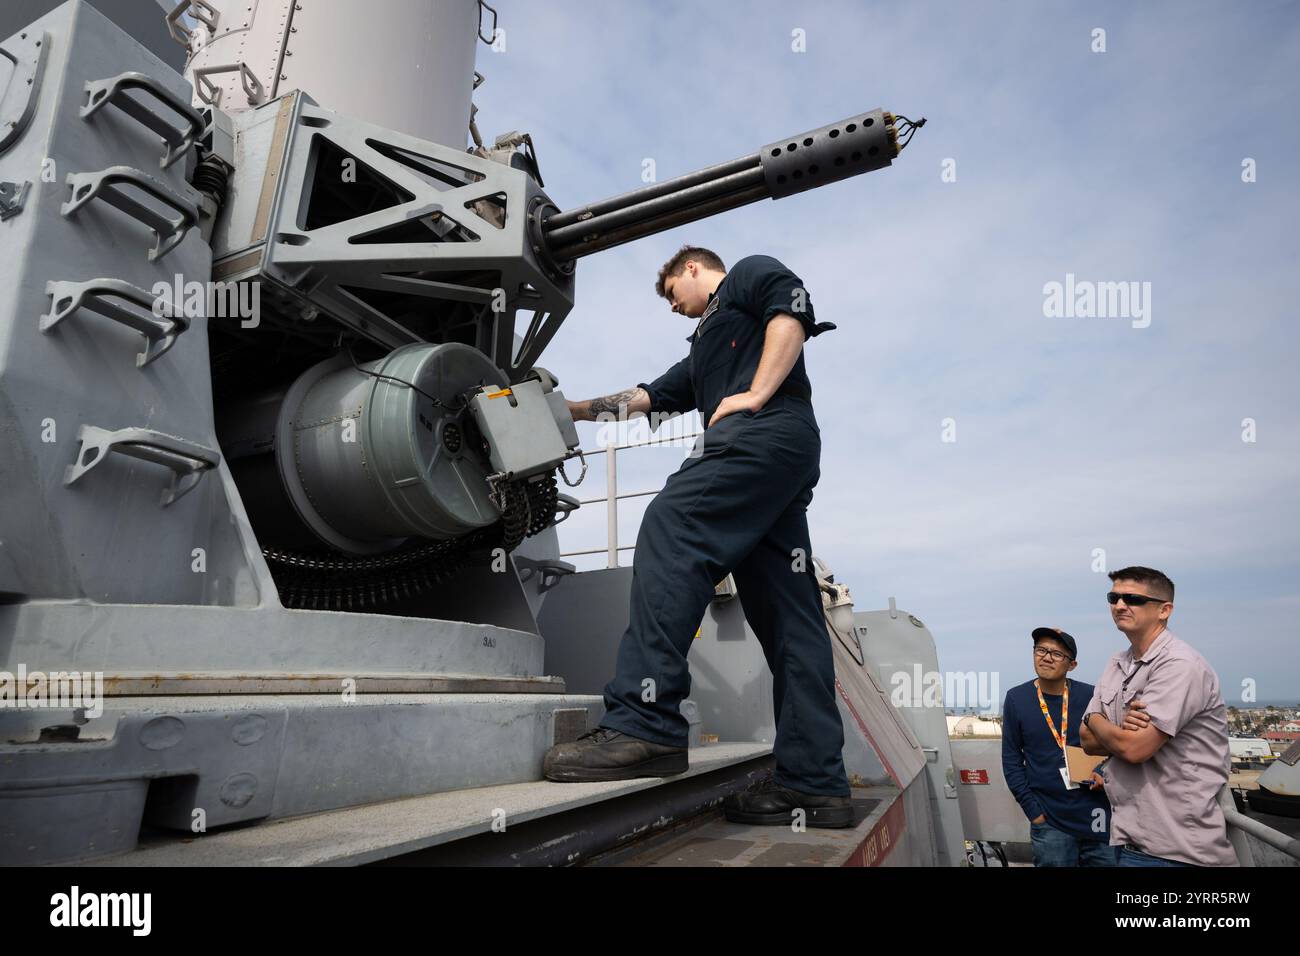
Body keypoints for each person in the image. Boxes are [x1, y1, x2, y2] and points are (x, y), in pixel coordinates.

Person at [541, 245, 852, 827]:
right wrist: (571, 409)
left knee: (672, 526)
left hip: (763, 431)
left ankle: (645, 724)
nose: (673, 308)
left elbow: (792, 316)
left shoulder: (748, 276)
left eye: (670, 294)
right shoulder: (705, 347)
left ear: (690, 268)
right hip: (778, 463)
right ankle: (816, 786)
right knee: (791, 618)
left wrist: (756, 394)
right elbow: (643, 399)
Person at [1079, 566, 1237, 866]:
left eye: (1133, 599)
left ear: (1165, 610)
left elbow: (1134, 749)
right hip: (1129, 840)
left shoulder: (1180, 664)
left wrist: (1096, 720)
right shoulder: (1116, 663)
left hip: (1181, 850)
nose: (1119, 605)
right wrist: (1113, 728)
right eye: (1113, 597)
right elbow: (1086, 742)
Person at [1002, 627, 1117, 866]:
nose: (1046, 657)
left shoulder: (1092, 696)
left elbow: (1114, 745)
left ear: (1072, 664)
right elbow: (1011, 759)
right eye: (1041, 650)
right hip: (1050, 820)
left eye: (1056, 653)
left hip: (1097, 815)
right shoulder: (1017, 698)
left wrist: (1104, 772)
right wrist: (1033, 811)